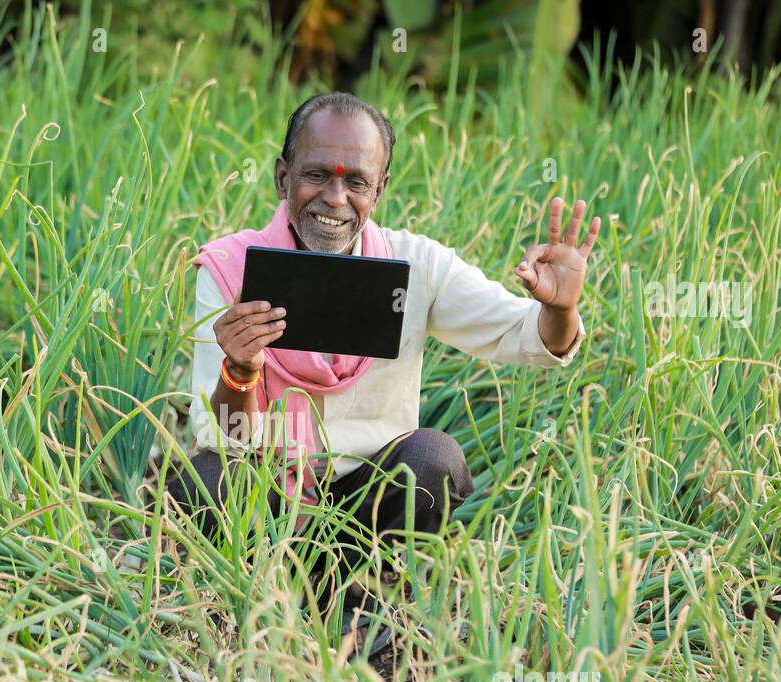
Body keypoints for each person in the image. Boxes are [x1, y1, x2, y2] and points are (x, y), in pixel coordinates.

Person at [163, 91, 600, 649]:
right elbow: (222, 438)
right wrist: (241, 368)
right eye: (316, 175)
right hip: (263, 498)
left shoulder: (417, 267)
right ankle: (250, 593)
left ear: (380, 189)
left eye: (357, 182)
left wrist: (558, 309)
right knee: (205, 480)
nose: (335, 198)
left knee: (433, 460)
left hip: (366, 506)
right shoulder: (231, 270)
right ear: (282, 178)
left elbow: (526, 338)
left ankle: (351, 591)